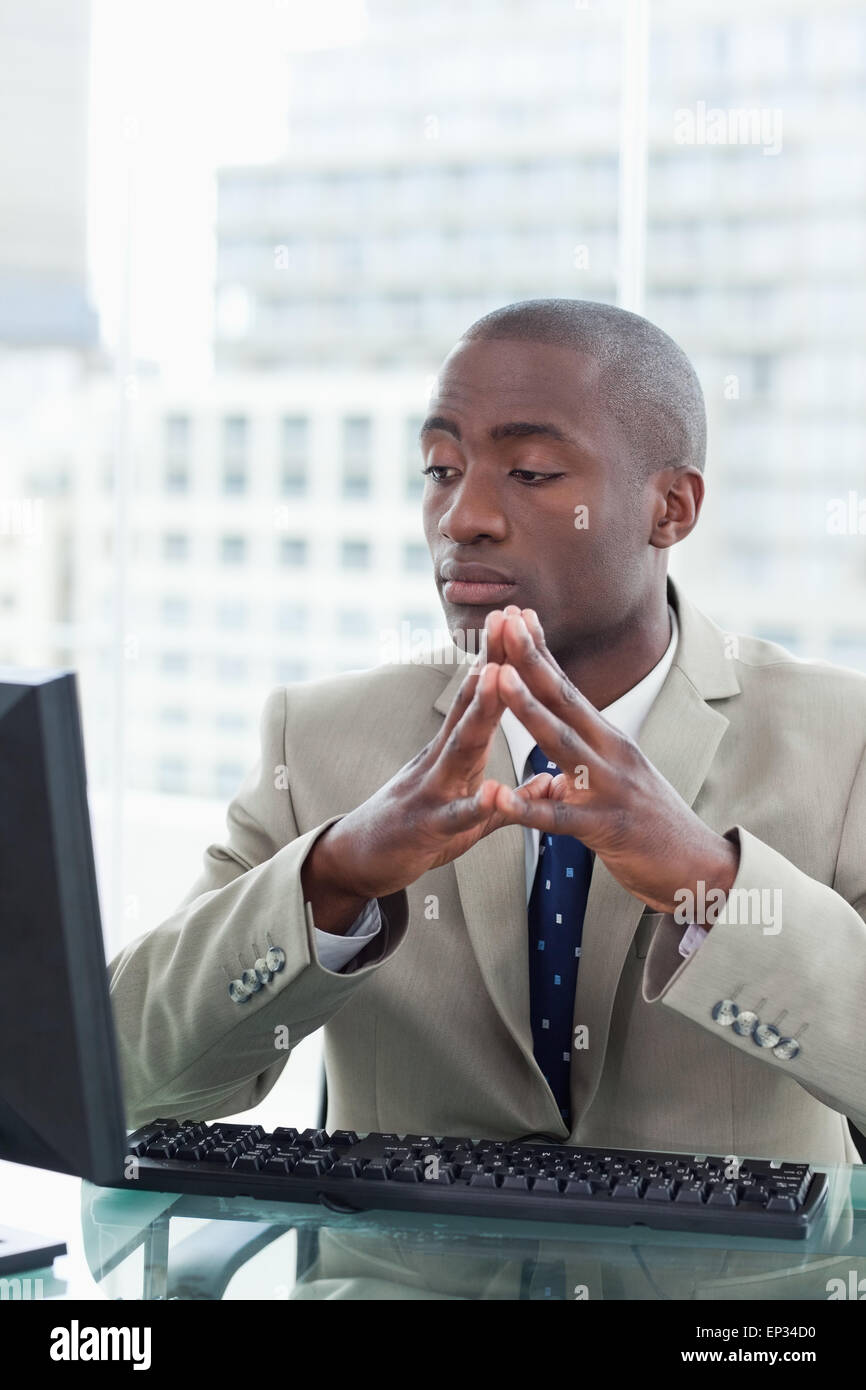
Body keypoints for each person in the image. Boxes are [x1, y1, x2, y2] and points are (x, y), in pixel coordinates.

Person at [109, 299, 866, 1166]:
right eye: (440, 469)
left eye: (532, 472)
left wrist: (709, 879)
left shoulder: (843, 743)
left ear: (672, 508)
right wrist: (337, 874)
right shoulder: (315, 743)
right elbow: (126, 1076)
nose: (462, 517)